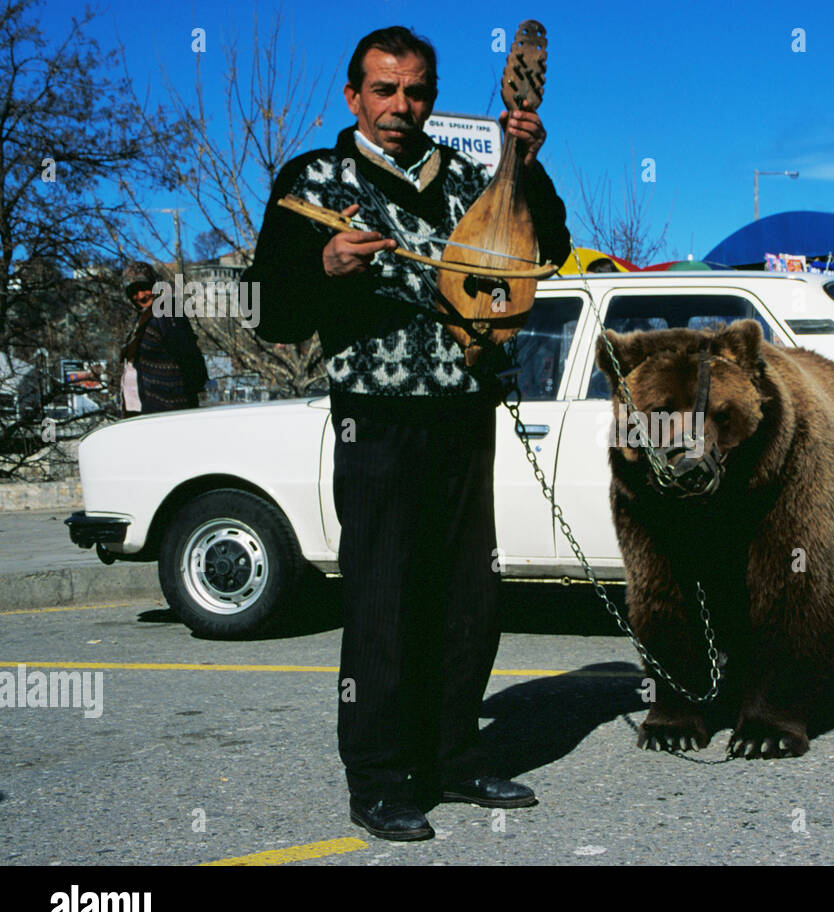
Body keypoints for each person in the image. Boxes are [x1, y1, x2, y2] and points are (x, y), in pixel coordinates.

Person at [243, 26, 570, 842]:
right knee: (384, 597)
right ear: (353, 96)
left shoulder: (466, 178)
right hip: (377, 417)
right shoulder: (312, 181)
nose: (401, 106)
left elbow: (547, 252)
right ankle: (382, 776)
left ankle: (454, 756)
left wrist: (526, 166)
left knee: (468, 597)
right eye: (383, 91)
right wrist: (322, 269)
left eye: (415, 91)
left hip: (464, 412)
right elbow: (265, 307)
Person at [119, 261, 208, 415]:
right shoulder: (143, 319)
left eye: (144, 288)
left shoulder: (166, 313)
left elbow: (189, 357)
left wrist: (187, 400)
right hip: (147, 409)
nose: (140, 296)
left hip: (168, 410)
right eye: (134, 291)